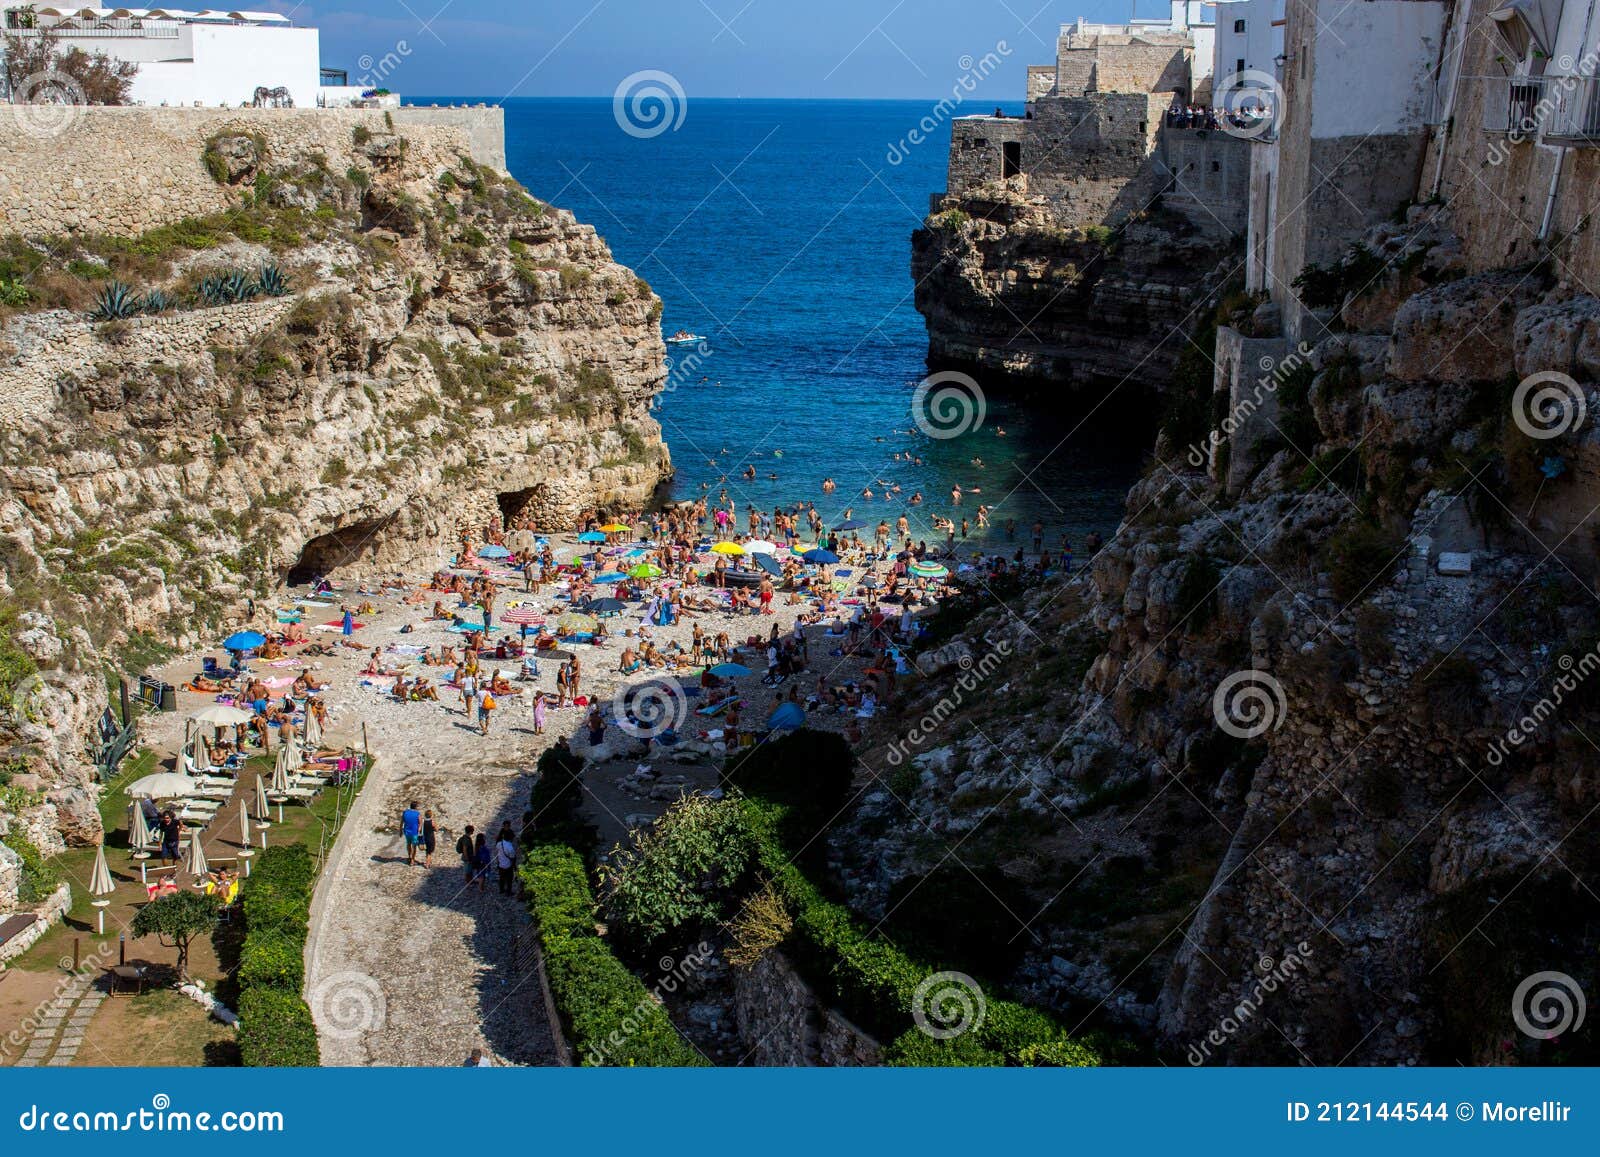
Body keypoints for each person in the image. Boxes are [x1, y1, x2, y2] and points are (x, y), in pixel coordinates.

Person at [494, 823, 518, 896]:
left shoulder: (499, 844)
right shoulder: (510, 848)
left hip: (501, 864)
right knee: (509, 879)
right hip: (508, 865)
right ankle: (508, 892)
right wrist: (515, 867)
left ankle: (501, 889)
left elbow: (497, 852)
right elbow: (513, 858)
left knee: (501, 878)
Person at [401, 801, 421, 866]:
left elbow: (402, 822)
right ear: (415, 807)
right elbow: (420, 823)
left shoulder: (405, 812)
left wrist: (400, 831)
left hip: (407, 831)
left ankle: (409, 856)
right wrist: (419, 830)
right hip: (414, 832)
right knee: (414, 846)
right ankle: (412, 860)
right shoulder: (417, 813)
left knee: (408, 844)